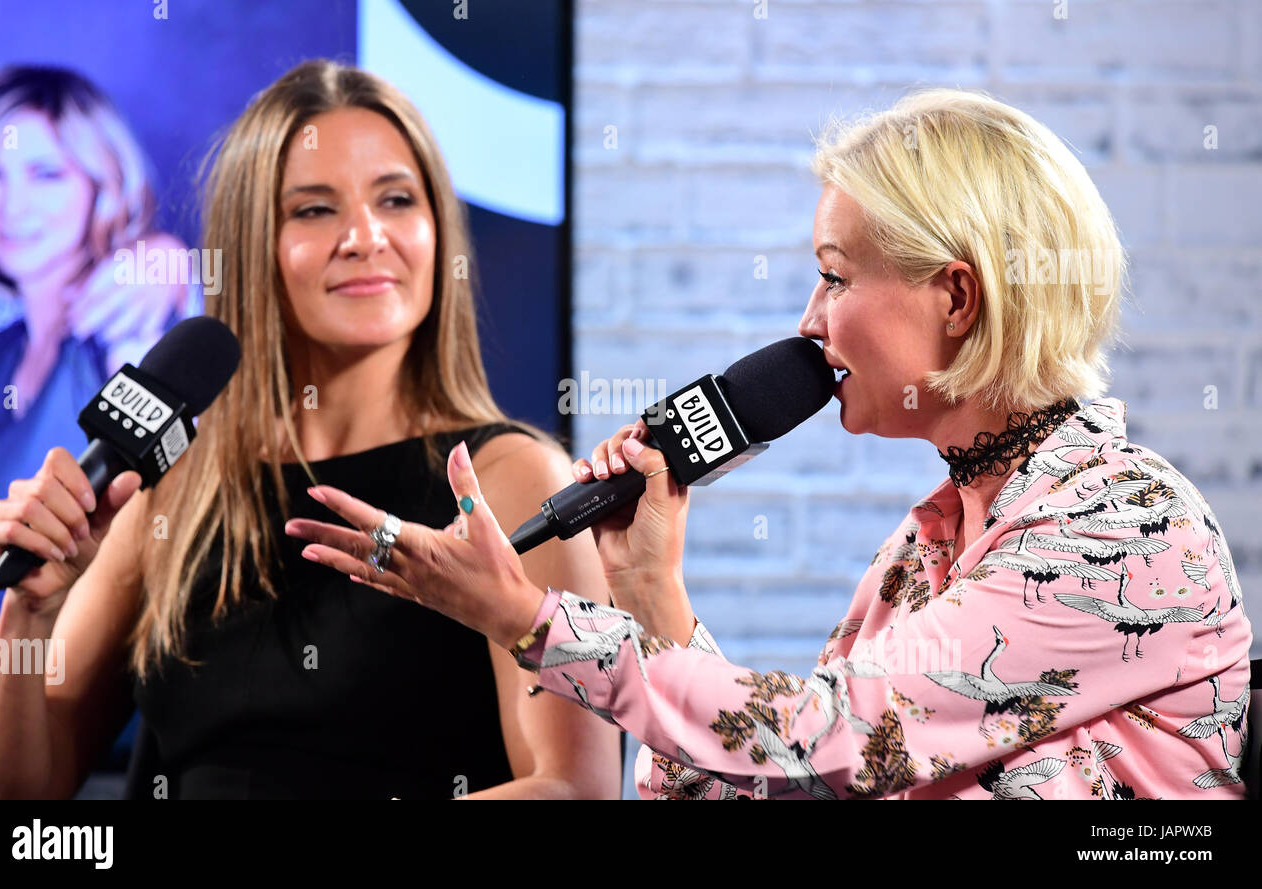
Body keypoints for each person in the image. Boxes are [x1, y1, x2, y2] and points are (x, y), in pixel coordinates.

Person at [287, 88, 1253, 799]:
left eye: (836, 277)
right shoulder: (927, 548)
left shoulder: (1122, 523)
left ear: (957, 298)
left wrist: (531, 620)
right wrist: (651, 589)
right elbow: (766, 784)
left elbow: (831, 738)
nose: (809, 320)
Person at [0, 59, 620, 799]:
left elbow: (574, 787)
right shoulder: (175, 487)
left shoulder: (520, 476)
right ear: (251, 248)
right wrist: (28, 612)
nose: (365, 236)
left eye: (396, 199)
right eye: (314, 210)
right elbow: (4, 798)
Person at [0, 66, 193, 708]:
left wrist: (173, 262)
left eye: (46, 174)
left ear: (104, 185)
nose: (13, 205)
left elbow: (172, 524)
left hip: (72, 724)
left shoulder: (140, 324)